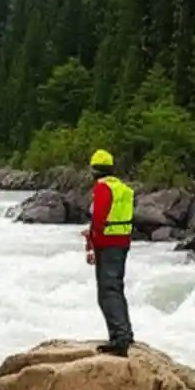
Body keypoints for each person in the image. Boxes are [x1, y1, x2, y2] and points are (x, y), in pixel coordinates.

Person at [83, 149, 134, 356]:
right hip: (122, 242)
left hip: (107, 244)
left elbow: (99, 220)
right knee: (116, 289)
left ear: (94, 170)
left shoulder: (103, 188)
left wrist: (91, 246)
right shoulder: (122, 188)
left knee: (107, 292)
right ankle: (125, 333)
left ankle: (119, 339)